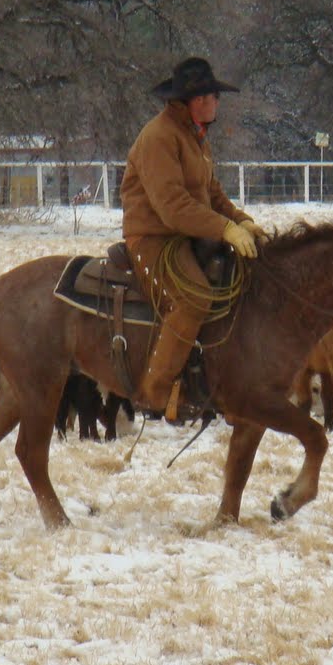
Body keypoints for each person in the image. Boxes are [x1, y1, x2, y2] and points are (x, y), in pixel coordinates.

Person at [122, 57, 268, 417]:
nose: (217, 102)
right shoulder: (159, 137)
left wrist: (240, 220)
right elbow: (172, 206)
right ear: (195, 100)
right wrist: (223, 229)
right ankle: (154, 395)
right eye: (213, 96)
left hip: (183, 235)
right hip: (153, 238)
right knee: (194, 301)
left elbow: (211, 193)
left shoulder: (193, 137)